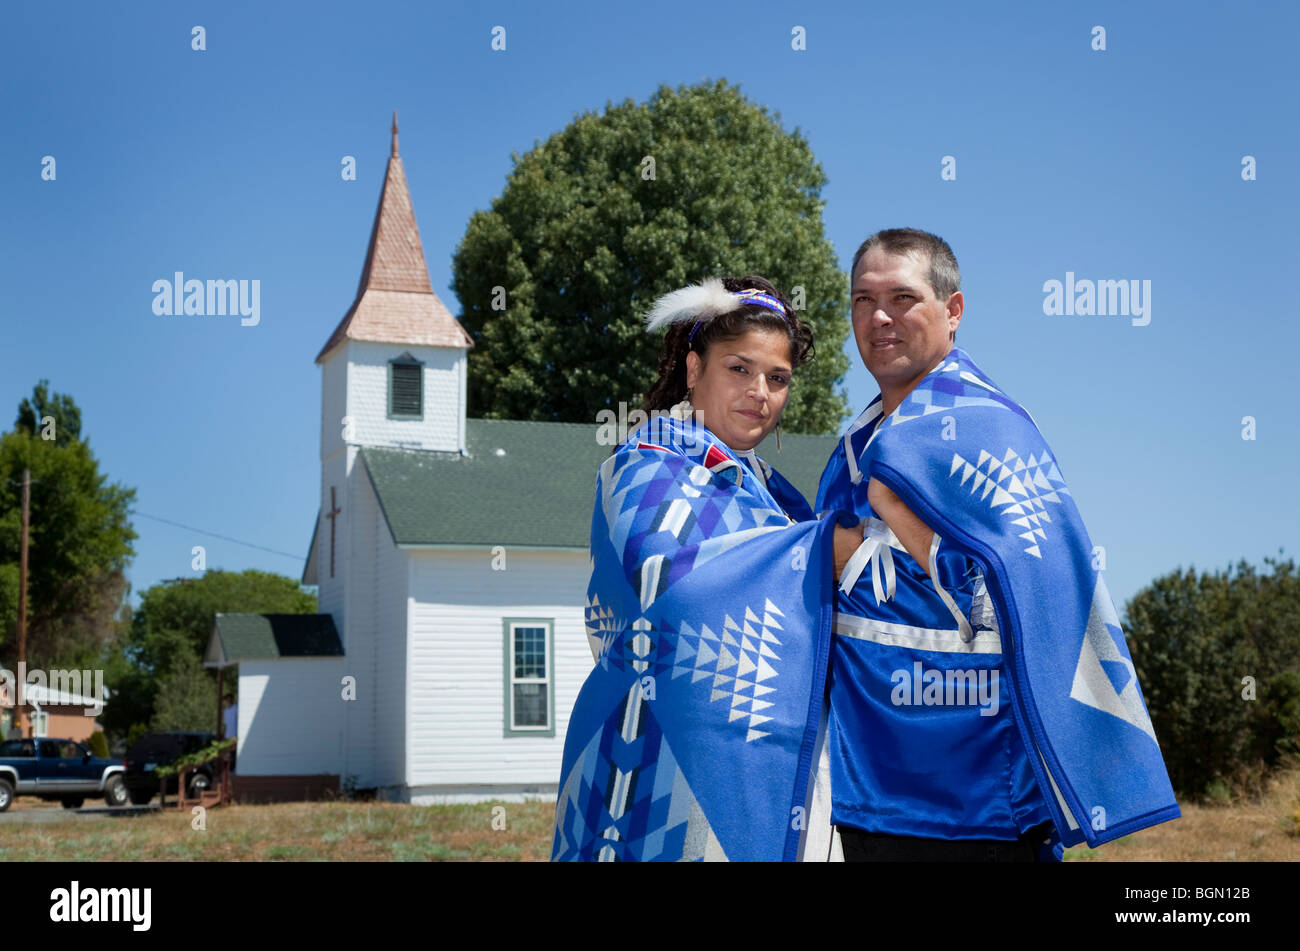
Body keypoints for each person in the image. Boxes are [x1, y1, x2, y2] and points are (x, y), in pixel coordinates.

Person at [817, 228, 1179, 861]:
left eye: (902, 298)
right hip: (869, 799)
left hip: (982, 807)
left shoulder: (991, 429)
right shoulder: (851, 451)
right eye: (863, 300)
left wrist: (895, 519)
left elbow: (1027, 601)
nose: (878, 318)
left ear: (953, 310)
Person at [552, 275, 861, 861]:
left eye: (778, 378)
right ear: (694, 369)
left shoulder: (777, 497)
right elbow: (658, 582)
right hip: (652, 755)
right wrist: (822, 552)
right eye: (739, 369)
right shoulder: (644, 463)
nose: (759, 392)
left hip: (747, 769)